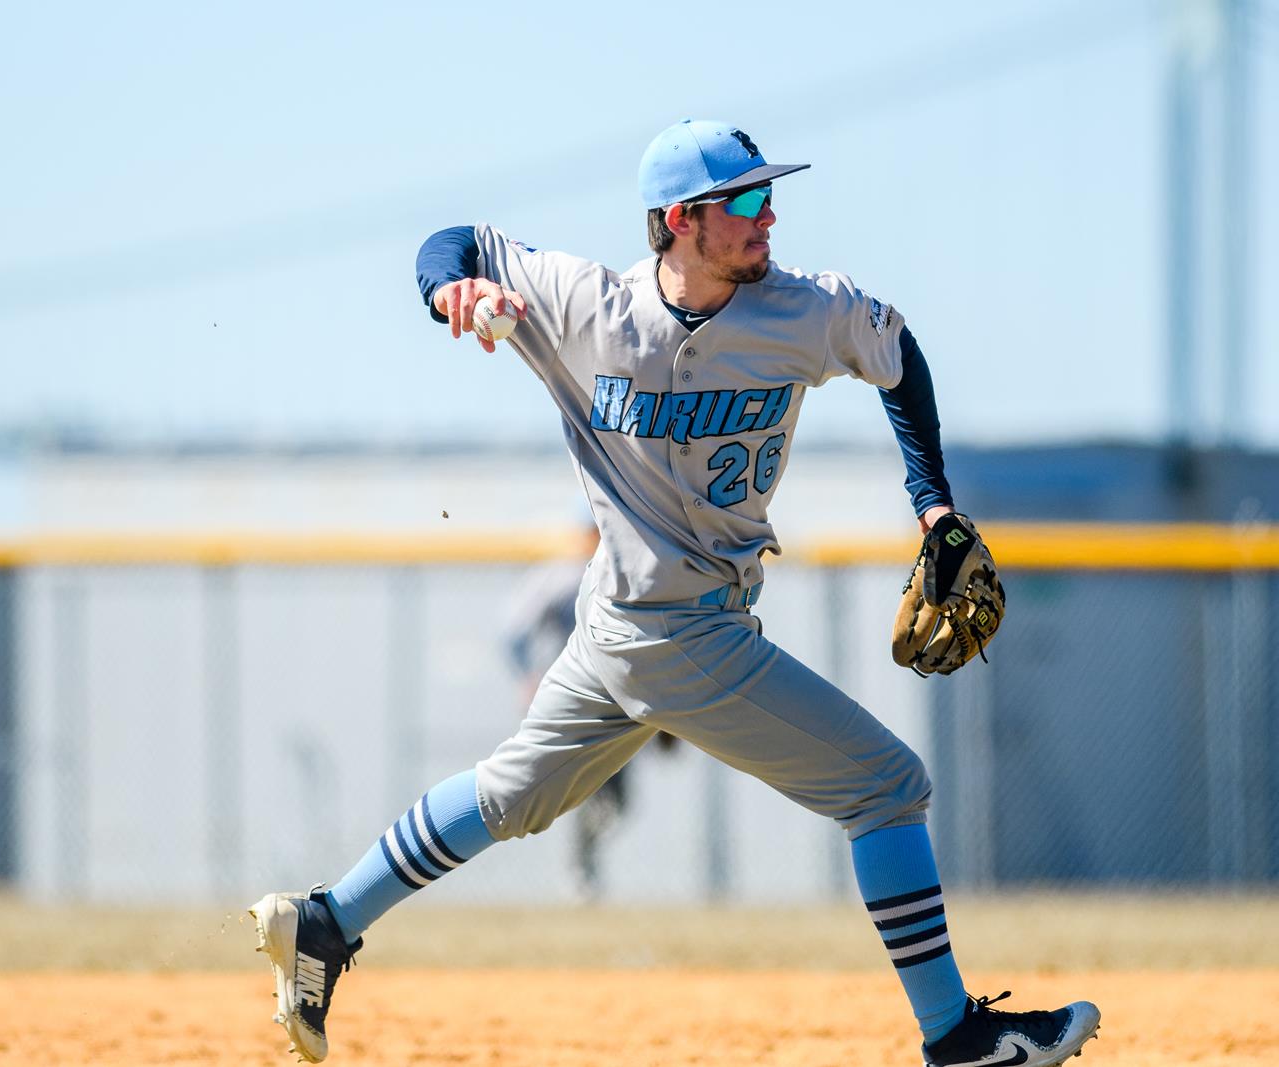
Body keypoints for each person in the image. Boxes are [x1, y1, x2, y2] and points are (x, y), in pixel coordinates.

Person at [250, 119, 1100, 1067]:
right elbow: (450, 241)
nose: (767, 213)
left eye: (768, 194)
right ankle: (957, 1037)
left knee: (509, 797)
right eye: (743, 201)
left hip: (624, 630)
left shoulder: (806, 310)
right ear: (678, 221)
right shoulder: (586, 306)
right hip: (674, 630)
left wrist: (933, 504)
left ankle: (325, 920)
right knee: (887, 785)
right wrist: (447, 285)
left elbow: (901, 363)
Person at [501, 523, 680, 901]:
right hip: (574, 696)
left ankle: (581, 868)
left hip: (622, 700)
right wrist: (527, 676)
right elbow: (514, 631)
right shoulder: (564, 576)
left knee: (613, 803)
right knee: (553, 791)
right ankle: (578, 871)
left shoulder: (635, 572)